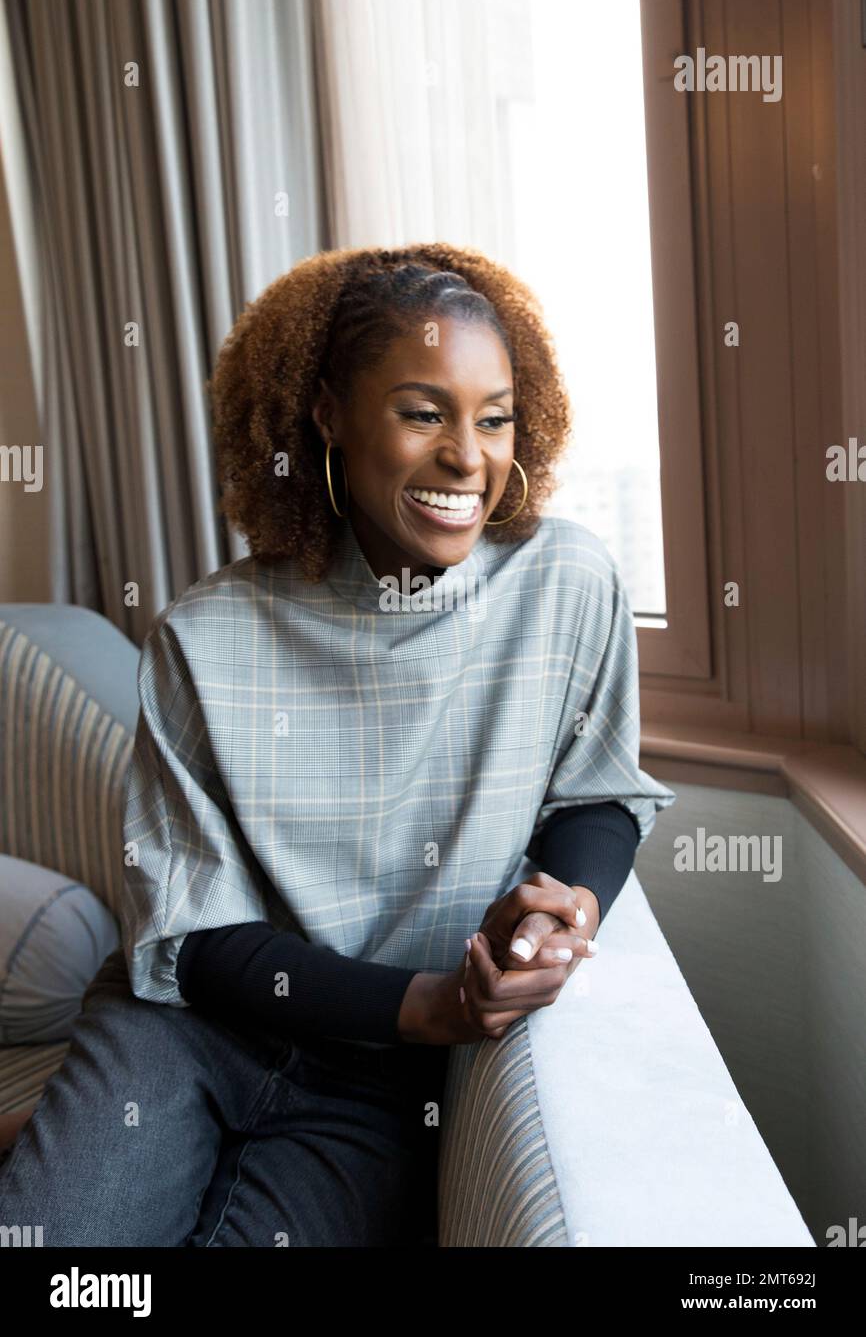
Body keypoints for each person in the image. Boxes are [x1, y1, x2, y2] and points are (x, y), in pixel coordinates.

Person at [0, 243, 675, 1247]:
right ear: (325, 413)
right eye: (421, 413)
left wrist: (564, 910)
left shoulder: (565, 585)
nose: (466, 457)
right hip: (184, 1034)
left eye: (492, 418)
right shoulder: (205, 636)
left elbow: (595, 794)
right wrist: (432, 1003)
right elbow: (197, 939)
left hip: (377, 1078)